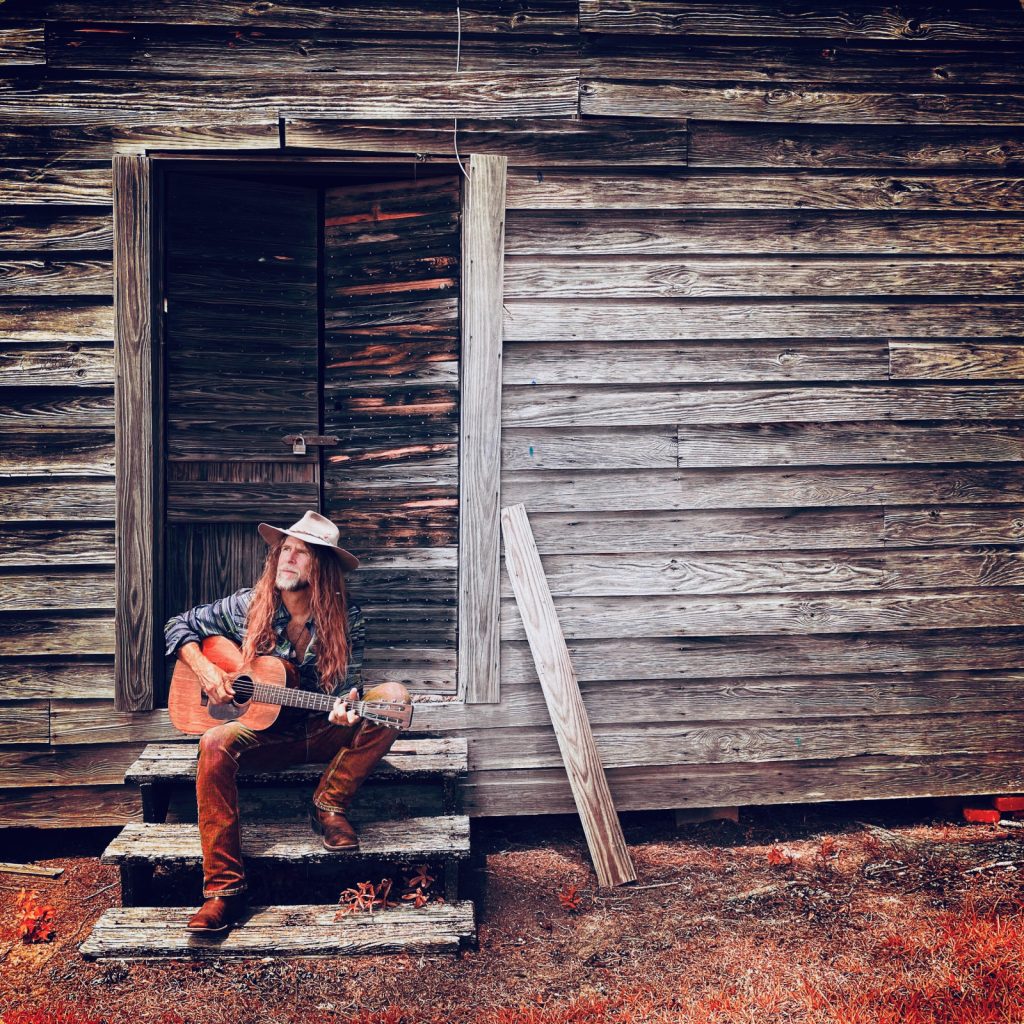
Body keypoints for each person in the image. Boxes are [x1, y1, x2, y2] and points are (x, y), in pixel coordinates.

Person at [164, 510, 409, 933]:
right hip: (260, 734)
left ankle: (328, 804)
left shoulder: (349, 618)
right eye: (285, 549)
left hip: (318, 729)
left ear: (322, 567)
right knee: (213, 743)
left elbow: (347, 691)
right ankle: (222, 890)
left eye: (302, 552)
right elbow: (176, 626)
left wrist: (345, 705)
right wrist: (206, 671)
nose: (287, 558)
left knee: (392, 697)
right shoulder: (245, 606)